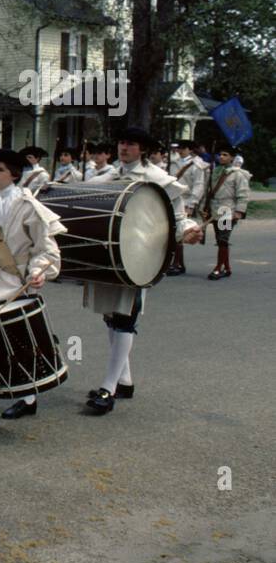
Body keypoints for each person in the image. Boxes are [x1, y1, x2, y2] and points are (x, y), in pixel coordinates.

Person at [84, 129, 202, 415]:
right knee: (111, 316)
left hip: (139, 259)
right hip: (109, 257)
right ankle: (124, 381)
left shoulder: (160, 180)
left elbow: (178, 218)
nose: (124, 147)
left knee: (125, 318)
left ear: (144, 149)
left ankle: (108, 388)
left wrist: (188, 230)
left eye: (131, 143)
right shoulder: (106, 178)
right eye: (121, 142)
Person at [0, 150, 65, 428]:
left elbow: (46, 250)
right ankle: (24, 400)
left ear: (14, 174)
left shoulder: (29, 207)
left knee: (17, 343)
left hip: (19, 282)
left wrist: (39, 273)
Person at [201, 145, 250, 281]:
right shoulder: (215, 171)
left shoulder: (238, 174)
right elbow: (208, 191)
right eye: (220, 154)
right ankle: (227, 267)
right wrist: (204, 207)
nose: (221, 157)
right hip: (215, 209)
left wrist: (239, 211)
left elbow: (243, 194)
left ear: (232, 158)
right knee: (220, 239)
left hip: (227, 210)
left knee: (223, 240)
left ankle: (218, 268)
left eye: (225, 155)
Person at [165, 140, 207, 276]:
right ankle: (177, 262)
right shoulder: (173, 162)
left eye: (183, 148)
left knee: (181, 230)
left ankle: (177, 263)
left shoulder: (196, 165)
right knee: (172, 231)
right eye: (179, 148)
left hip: (187, 200)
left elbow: (199, 185)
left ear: (190, 150)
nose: (180, 151)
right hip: (173, 199)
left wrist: (192, 204)